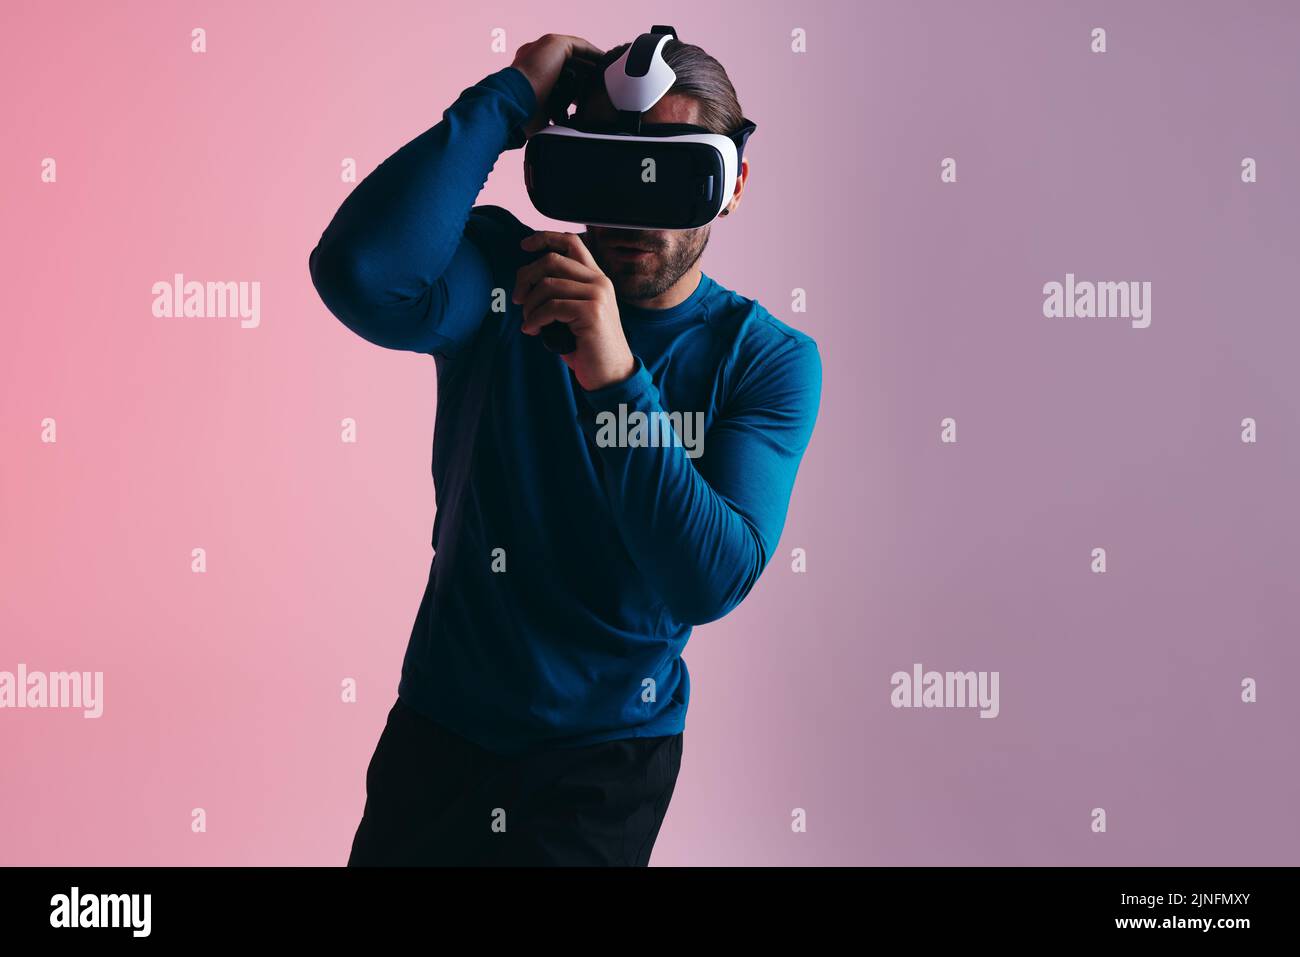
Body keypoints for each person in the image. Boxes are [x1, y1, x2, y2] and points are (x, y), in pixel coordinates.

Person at [308, 32, 822, 866]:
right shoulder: (507, 273)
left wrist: (613, 370)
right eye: (613, 170)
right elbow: (361, 272)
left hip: (603, 760)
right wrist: (511, 96)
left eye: (675, 177)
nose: (635, 214)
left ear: (730, 187)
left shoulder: (765, 358)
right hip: (440, 726)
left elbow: (711, 577)